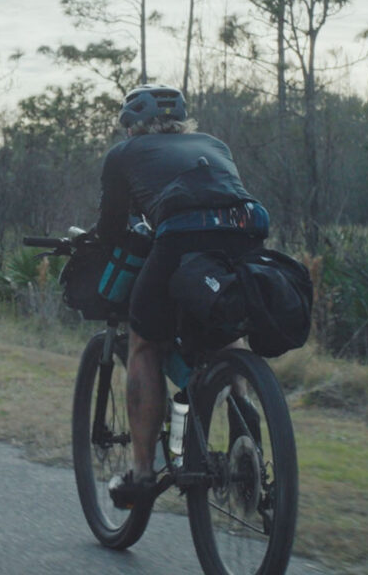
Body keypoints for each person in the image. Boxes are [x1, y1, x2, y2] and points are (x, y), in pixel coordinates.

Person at [94, 85, 267, 509]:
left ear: (132, 127)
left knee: (144, 341)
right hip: (247, 234)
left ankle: (140, 472)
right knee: (224, 325)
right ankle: (245, 430)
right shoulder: (213, 143)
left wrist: (100, 247)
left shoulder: (123, 154)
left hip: (180, 237)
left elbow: (112, 227)